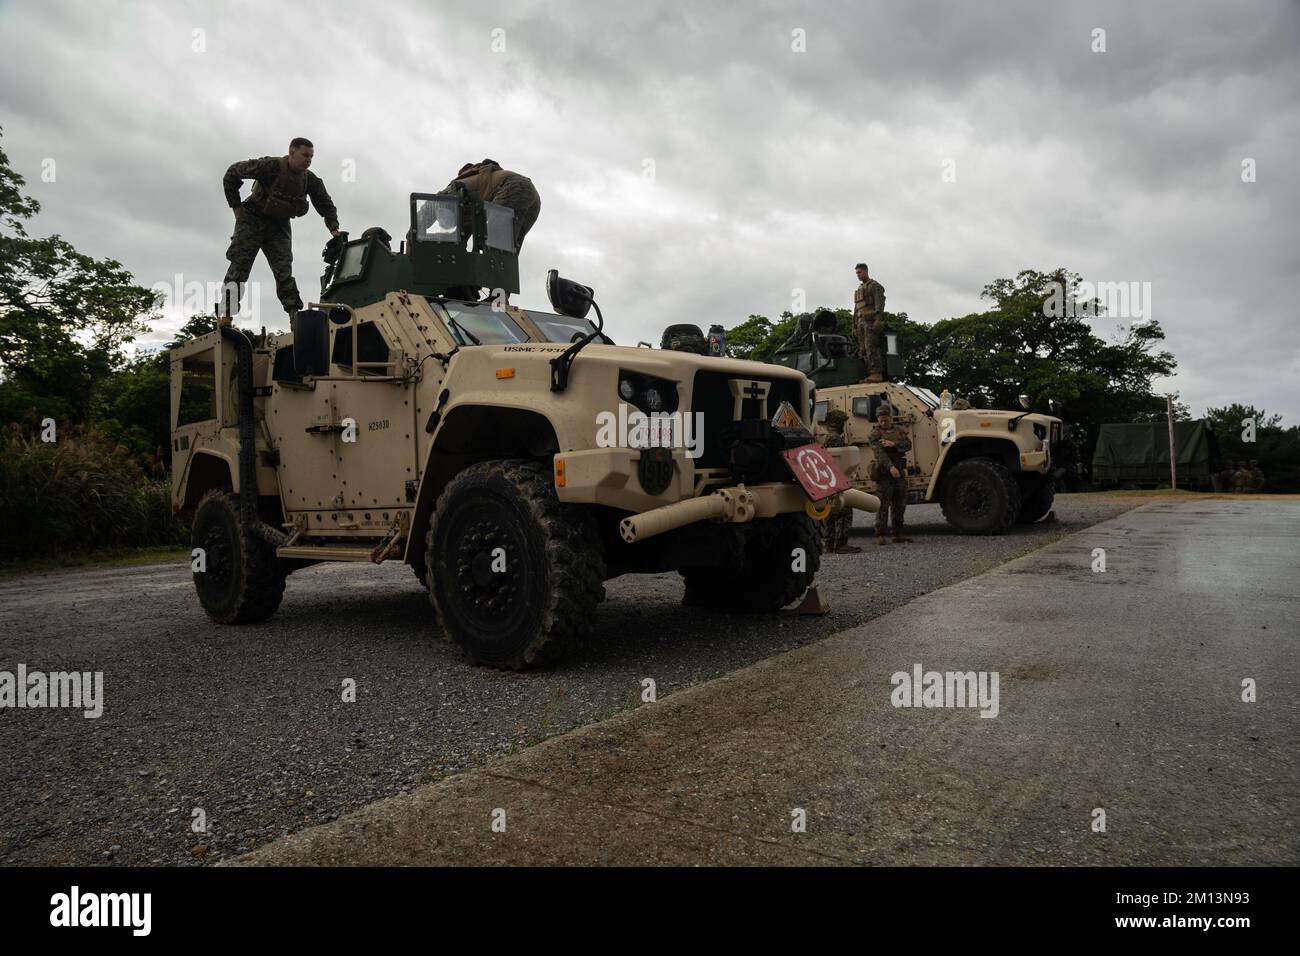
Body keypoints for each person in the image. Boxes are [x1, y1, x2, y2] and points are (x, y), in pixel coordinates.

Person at [222, 137, 341, 322]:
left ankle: (295, 317)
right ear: (292, 152)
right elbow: (232, 173)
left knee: (284, 272)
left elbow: (326, 205)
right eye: (304, 155)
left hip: (278, 226)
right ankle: (226, 316)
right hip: (252, 219)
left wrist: (334, 229)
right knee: (239, 267)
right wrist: (237, 208)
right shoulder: (270, 166)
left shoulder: (309, 180)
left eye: (311, 156)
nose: (308, 160)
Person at [444, 159, 541, 252]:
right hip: (532, 193)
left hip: (513, 186)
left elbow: (458, 239)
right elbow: (464, 232)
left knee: (495, 245)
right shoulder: (475, 183)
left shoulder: (450, 191)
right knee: (509, 248)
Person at [868, 403, 912, 544]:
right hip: (885, 473)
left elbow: (908, 445)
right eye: (880, 419)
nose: (883, 422)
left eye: (885, 419)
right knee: (882, 505)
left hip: (899, 470)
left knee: (900, 503)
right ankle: (880, 533)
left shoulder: (899, 431)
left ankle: (897, 533)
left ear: (890, 418)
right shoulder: (874, 434)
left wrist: (894, 445)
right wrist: (891, 467)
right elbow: (879, 453)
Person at [819, 410, 860, 553]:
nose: (844, 424)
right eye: (842, 421)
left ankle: (829, 544)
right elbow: (838, 460)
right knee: (845, 510)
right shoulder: (835, 438)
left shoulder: (825, 436)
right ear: (837, 422)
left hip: (827, 480)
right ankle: (841, 544)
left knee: (829, 512)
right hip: (837, 479)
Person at [852, 263, 886, 382]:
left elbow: (879, 304)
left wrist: (878, 319)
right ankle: (868, 373)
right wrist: (854, 325)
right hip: (860, 322)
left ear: (866, 271)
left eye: (860, 272)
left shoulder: (874, 286)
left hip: (870, 321)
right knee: (863, 349)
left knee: (871, 346)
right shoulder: (860, 289)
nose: (858, 275)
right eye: (856, 273)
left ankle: (876, 373)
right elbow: (856, 309)